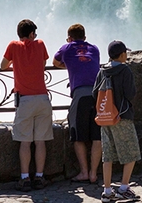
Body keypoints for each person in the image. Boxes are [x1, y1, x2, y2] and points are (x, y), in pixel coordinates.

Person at [0, 19, 52, 192]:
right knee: (40, 141)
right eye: (35, 33)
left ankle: (24, 179)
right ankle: (39, 176)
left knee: (24, 141)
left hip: (24, 100)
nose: (36, 36)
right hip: (43, 98)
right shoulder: (41, 44)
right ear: (31, 34)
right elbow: (43, 64)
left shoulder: (13, 46)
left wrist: (17, 66)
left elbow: (2, 66)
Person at [53, 24, 101, 184]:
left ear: (70, 38)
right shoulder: (94, 49)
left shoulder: (66, 48)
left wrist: (69, 64)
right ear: (85, 37)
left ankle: (84, 172)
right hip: (97, 94)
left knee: (77, 135)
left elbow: (55, 62)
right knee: (97, 136)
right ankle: (94, 174)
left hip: (80, 94)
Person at [98, 40, 141, 202]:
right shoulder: (125, 70)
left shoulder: (102, 71)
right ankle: (124, 188)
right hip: (122, 116)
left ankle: (107, 190)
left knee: (107, 155)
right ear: (122, 54)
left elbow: (96, 93)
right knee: (131, 153)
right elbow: (130, 93)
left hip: (105, 117)